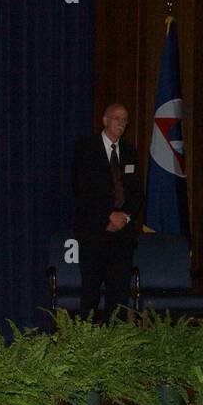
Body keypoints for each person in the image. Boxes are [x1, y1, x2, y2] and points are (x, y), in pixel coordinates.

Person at [71, 103, 142, 320]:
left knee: (119, 295)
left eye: (125, 120)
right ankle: (89, 346)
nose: (121, 124)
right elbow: (81, 189)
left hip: (122, 235)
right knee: (91, 293)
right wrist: (108, 215)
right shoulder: (86, 149)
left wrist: (125, 217)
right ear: (105, 120)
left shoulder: (130, 151)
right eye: (117, 119)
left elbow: (137, 192)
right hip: (94, 231)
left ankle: (117, 345)